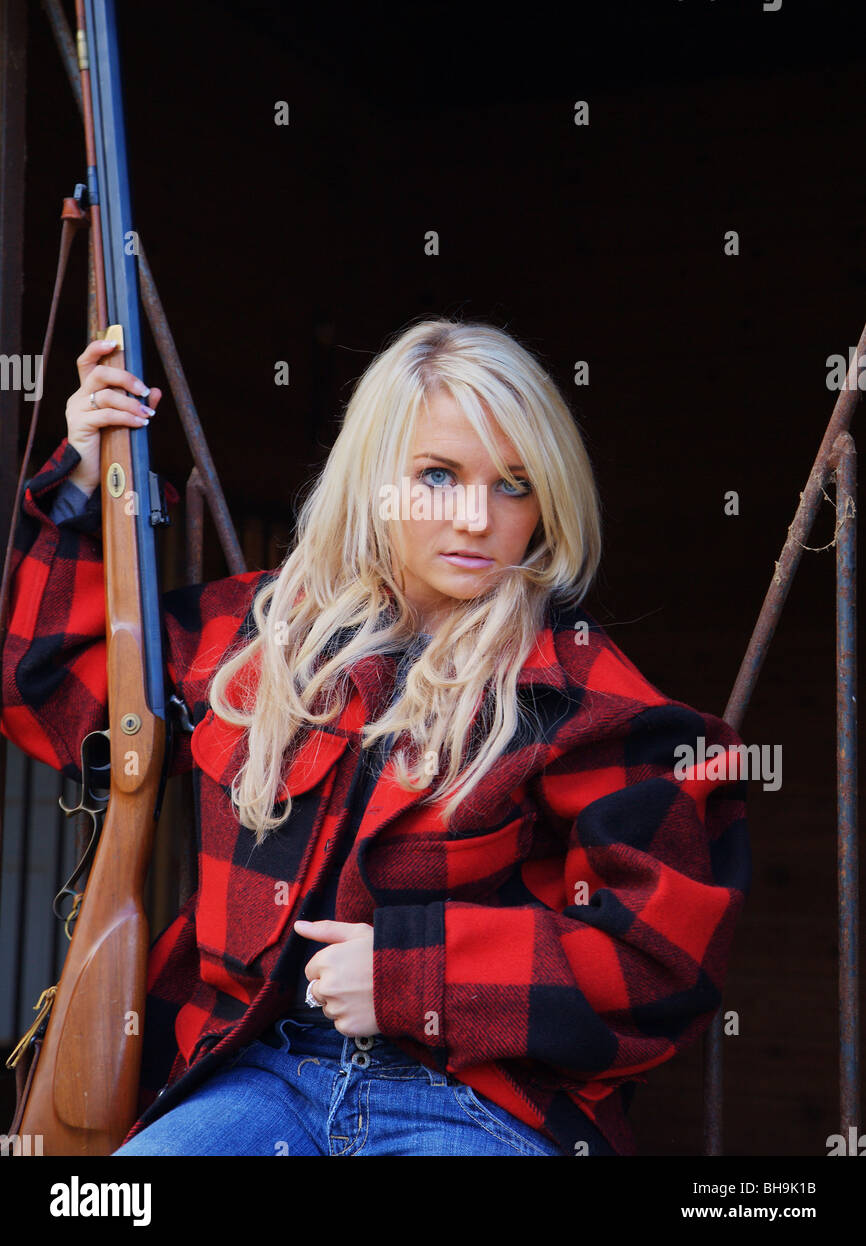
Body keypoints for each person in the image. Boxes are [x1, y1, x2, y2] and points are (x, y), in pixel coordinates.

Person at [1, 317, 751, 1157]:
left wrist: (413, 977)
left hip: (475, 1102)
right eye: (437, 474)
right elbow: (53, 697)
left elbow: (662, 956)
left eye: (513, 484)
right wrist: (79, 481)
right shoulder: (258, 634)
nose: (476, 517)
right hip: (260, 1073)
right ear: (373, 481)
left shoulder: (575, 686)